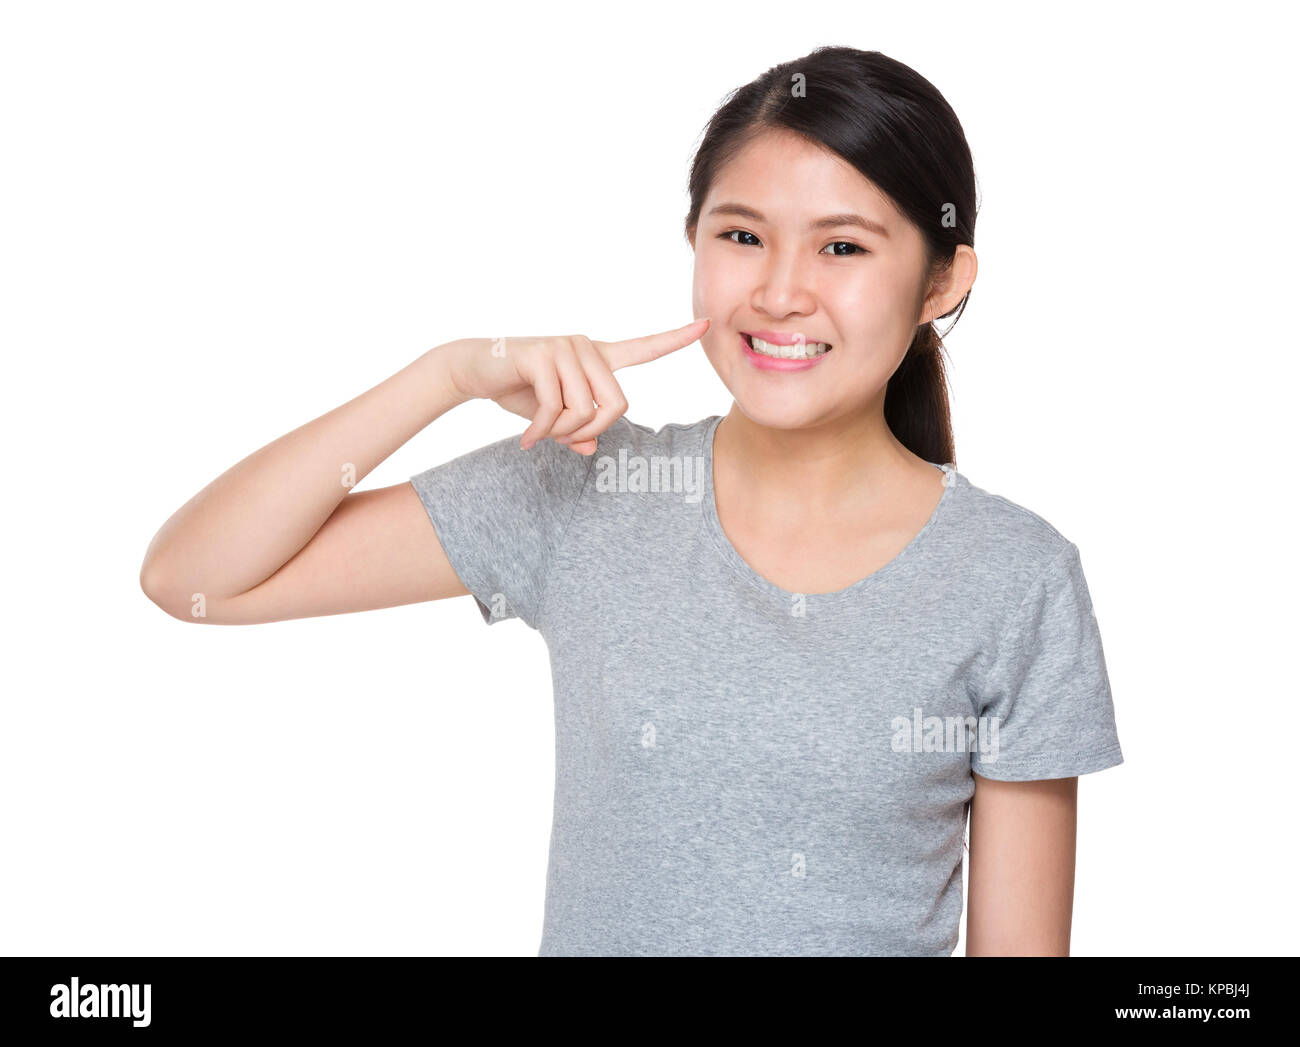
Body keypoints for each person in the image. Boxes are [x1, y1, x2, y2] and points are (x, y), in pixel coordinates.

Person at [140, 46, 1123, 956]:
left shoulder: (1014, 578)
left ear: (940, 281)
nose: (779, 292)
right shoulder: (582, 484)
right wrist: (449, 374)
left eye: (843, 249)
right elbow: (194, 578)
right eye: (742, 235)